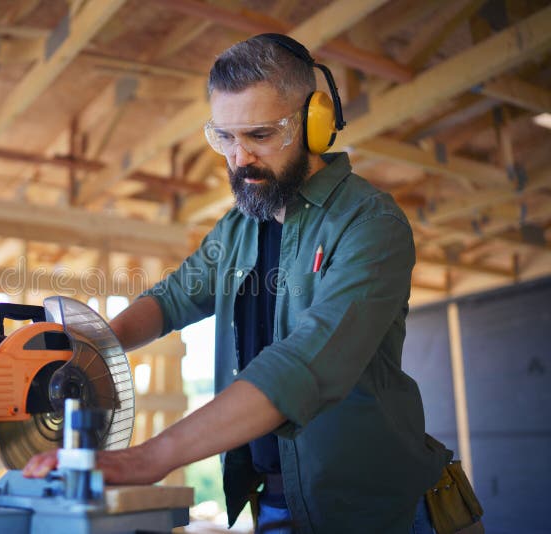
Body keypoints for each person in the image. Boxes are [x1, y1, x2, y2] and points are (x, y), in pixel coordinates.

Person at [24, 34, 453, 534]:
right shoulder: (237, 228)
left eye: (260, 135)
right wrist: (91, 347)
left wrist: (147, 458)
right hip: (273, 502)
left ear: (314, 123)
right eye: (224, 137)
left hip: (373, 508)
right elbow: (172, 299)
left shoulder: (369, 224)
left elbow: (304, 364)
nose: (239, 157)